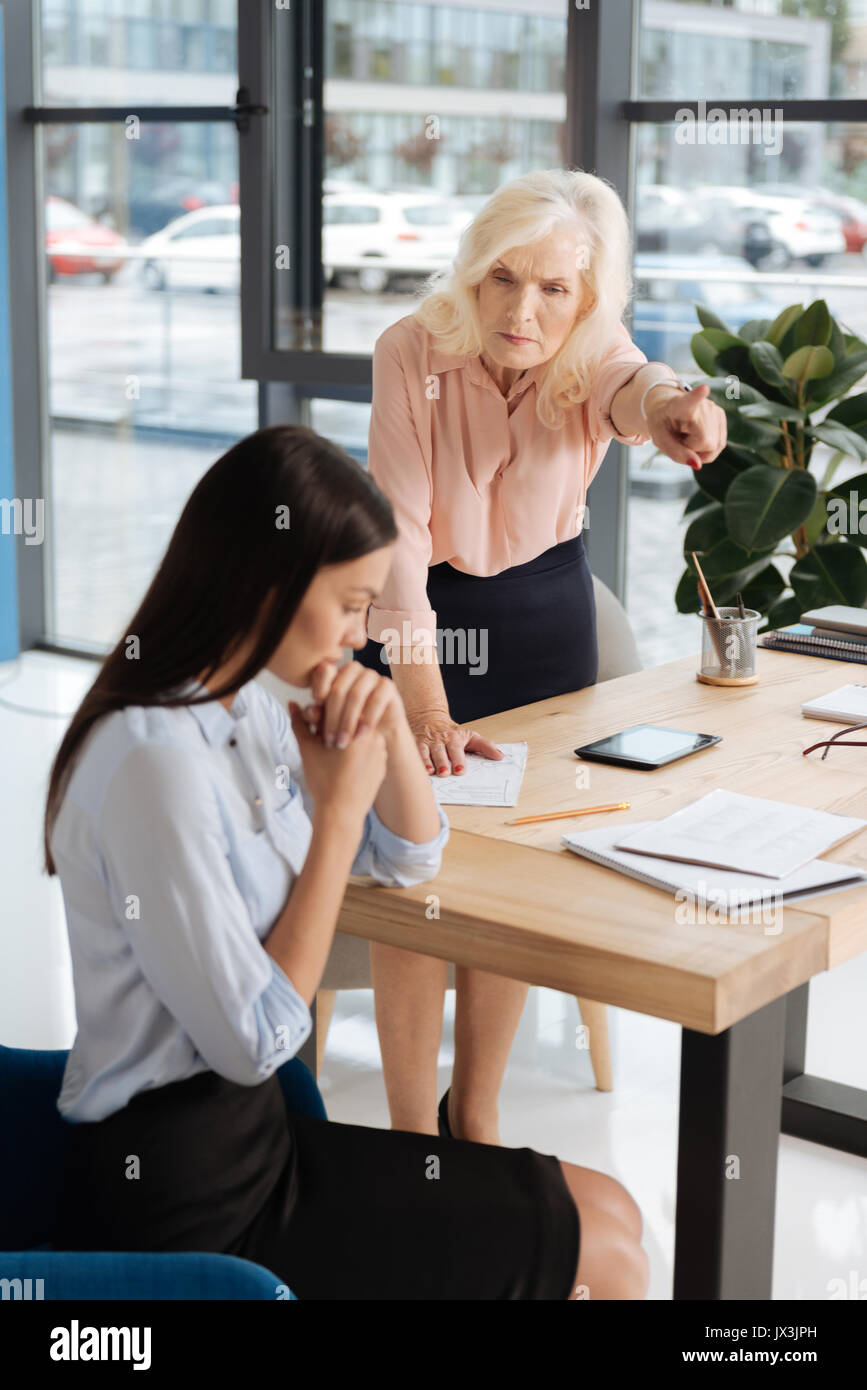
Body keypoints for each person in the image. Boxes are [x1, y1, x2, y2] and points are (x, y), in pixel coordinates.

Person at [44, 424, 648, 1300]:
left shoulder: (250, 704)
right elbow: (255, 1041)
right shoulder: (154, 762)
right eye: (353, 604)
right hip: (183, 1191)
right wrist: (332, 822)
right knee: (607, 1259)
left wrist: (392, 723)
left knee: (613, 1211)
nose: (364, 633)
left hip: (259, 1144)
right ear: (264, 582)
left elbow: (411, 856)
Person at [355, 167, 727, 1146]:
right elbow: (394, 541)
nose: (525, 310)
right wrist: (425, 705)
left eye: (555, 287)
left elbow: (636, 390)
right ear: (475, 272)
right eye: (506, 279)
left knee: (510, 876)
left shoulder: (594, 347)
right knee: (413, 874)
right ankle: (406, 1138)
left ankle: (473, 1116)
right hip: (419, 622)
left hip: (543, 620)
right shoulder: (410, 350)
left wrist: (681, 410)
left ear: (587, 295)